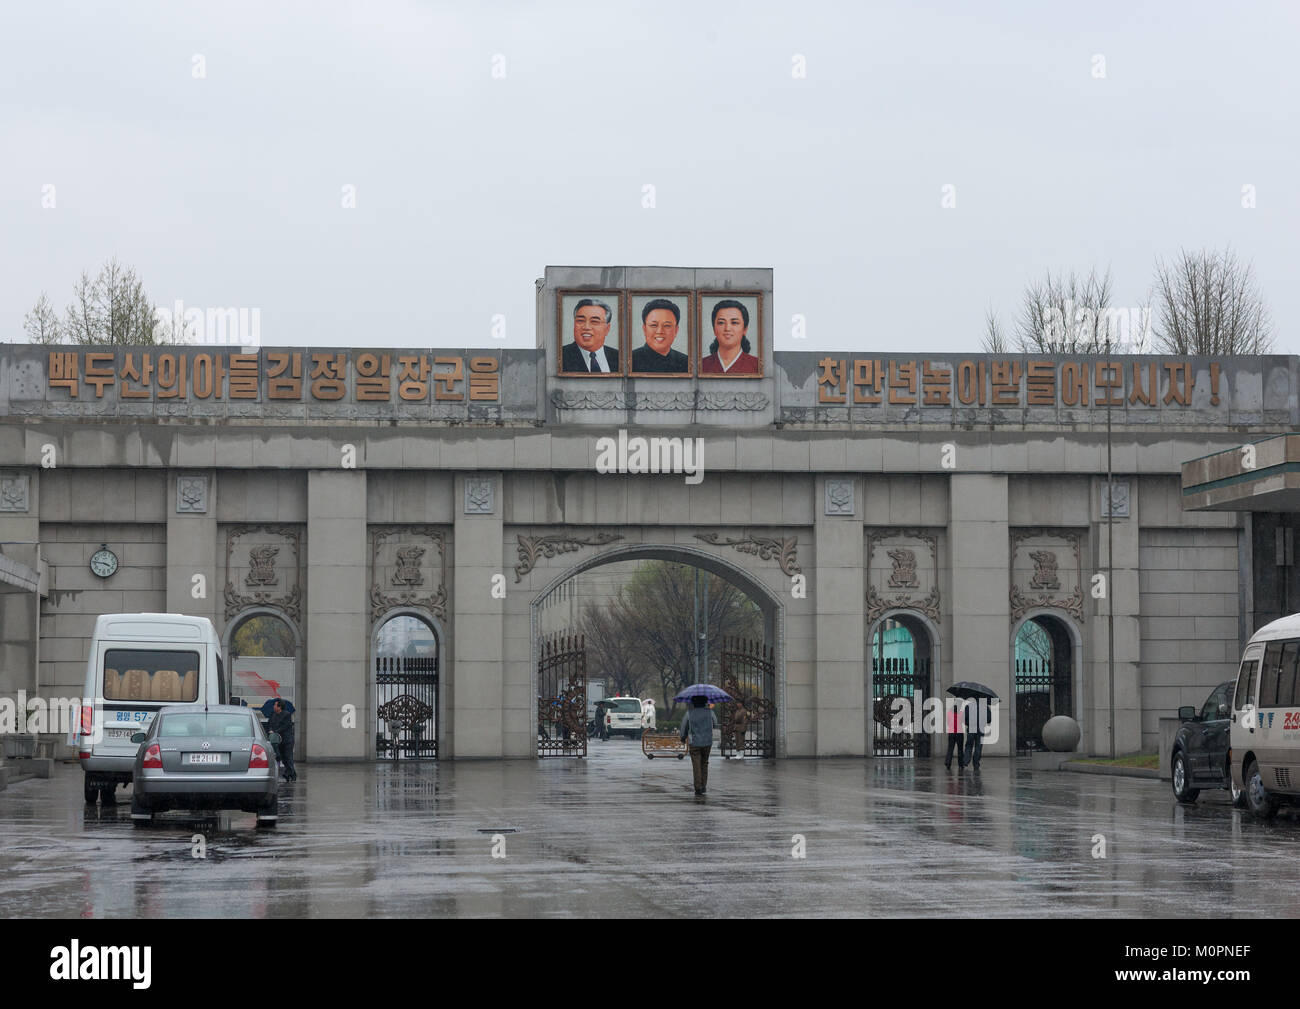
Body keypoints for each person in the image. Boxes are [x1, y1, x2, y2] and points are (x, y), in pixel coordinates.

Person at [700, 300, 760, 375]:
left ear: (745, 329)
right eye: (721, 323)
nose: (727, 328)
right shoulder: (701, 365)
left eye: (734, 322)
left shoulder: (757, 366)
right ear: (714, 329)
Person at [561, 298, 619, 373]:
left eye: (594, 321)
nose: (586, 327)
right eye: (580, 321)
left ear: (607, 329)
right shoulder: (560, 356)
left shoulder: (619, 357)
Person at [631, 299, 689, 373]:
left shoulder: (686, 362)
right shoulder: (630, 360)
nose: (660, 331)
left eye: (667, 325)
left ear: (676, 330)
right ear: (644, 329)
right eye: (654, 325)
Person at [680, 695, 714, 795]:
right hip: (707, 742)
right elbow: (715, 723)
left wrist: (683, 737)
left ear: (693, 703)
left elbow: (684, 726)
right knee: (704, 763)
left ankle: (698, 787)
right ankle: (703, 786)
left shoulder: (689, 713)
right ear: (704, 702)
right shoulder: (710, 712)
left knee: (696, 765)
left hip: (694, 742)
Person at [267, 699, 297, 781]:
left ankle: (291, 775)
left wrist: (275, 731)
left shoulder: (287, 715)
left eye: (275, 705)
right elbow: (269, 724)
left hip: (287, 740)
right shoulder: (273, 715)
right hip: (277, 740)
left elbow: (285, 726)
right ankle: (290, 773)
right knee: (282, 758)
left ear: (279, 707)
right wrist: (270, 730)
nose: (274, 706)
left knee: (288, 758)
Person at [962, 698, 983, 771]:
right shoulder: (984, 707)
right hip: (980, 729)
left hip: (971, 728)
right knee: (978, 747)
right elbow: (989, 718)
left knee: (969, 745)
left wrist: (968, 723)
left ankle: (966, 761)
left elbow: (964, 718)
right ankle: (976, 763)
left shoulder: (968, 706)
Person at [944, 699, 965, 769]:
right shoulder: (961, 713)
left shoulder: (949, 713)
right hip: (959, 733)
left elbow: (948, 723)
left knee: (950, 748)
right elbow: (963, 722)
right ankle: (960, 764)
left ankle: (948, 763)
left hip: (951, 733)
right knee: (960, 749)